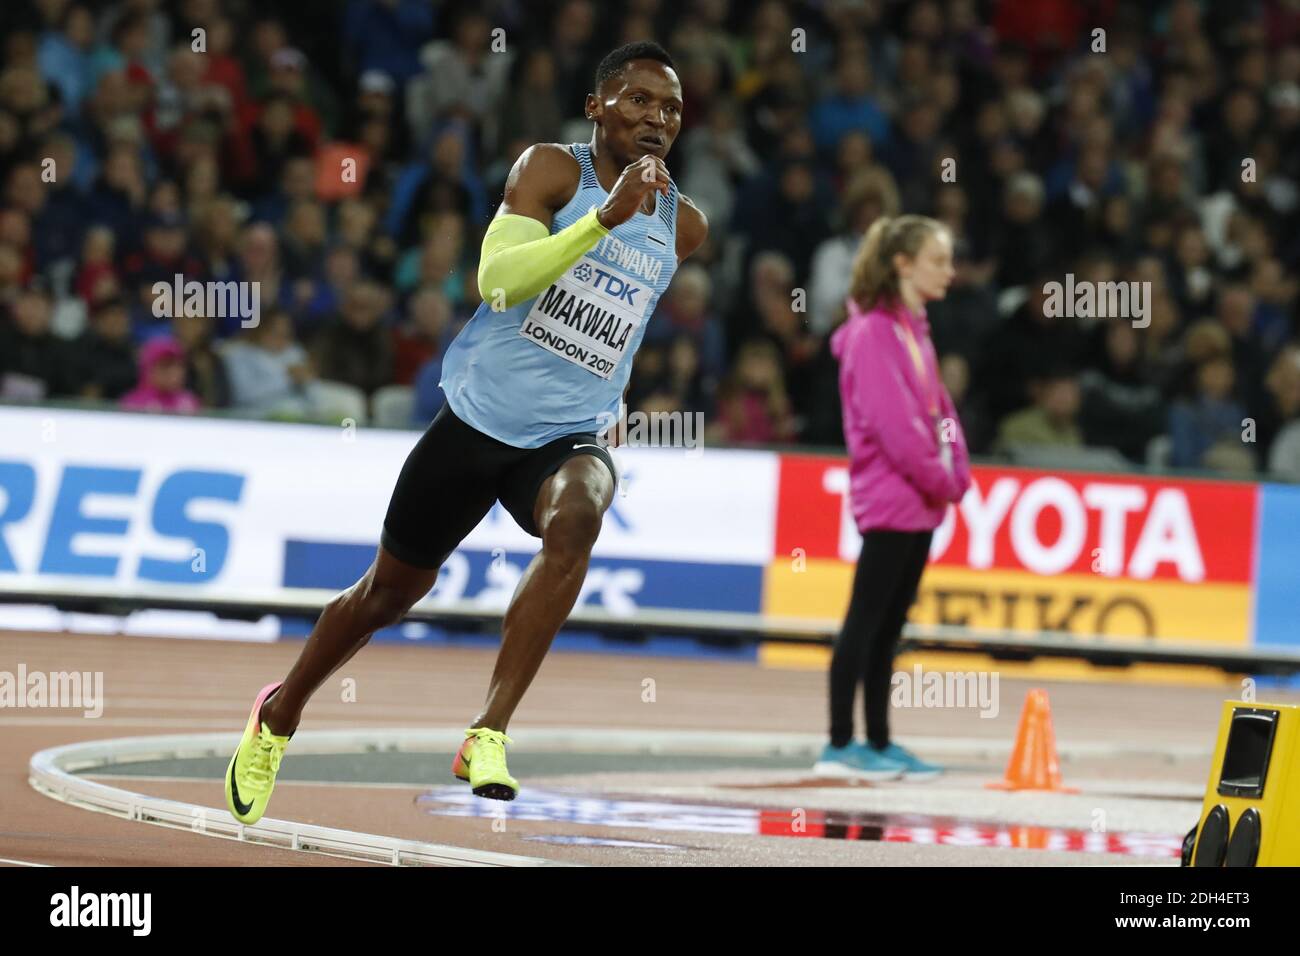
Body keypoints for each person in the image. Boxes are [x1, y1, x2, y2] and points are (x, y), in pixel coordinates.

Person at [224, 41, 707, 822]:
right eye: (640, 100)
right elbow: (498, 283)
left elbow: (622, 315)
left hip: (566, 435)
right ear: (596, 107)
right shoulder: (551, 170)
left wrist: (611, 393)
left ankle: (488, 731)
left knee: (579, 515)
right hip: (478, 420)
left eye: (672, 107)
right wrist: (601, 220)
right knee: (386, 595)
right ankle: (279, 713)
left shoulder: (684, 225)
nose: (658, 117)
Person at [817, 214, 969, 781]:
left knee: (888, 627)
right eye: (938, 261)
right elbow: (896, 427)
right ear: (903, 263)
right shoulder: (873, 332)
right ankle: (837, 744)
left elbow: (941, 411)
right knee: (865, 621)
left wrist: (956, 470)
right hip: (892, 496)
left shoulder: (914, 328)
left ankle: (877, 742)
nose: (949, 272)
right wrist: (943, 477)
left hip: (919, 499)